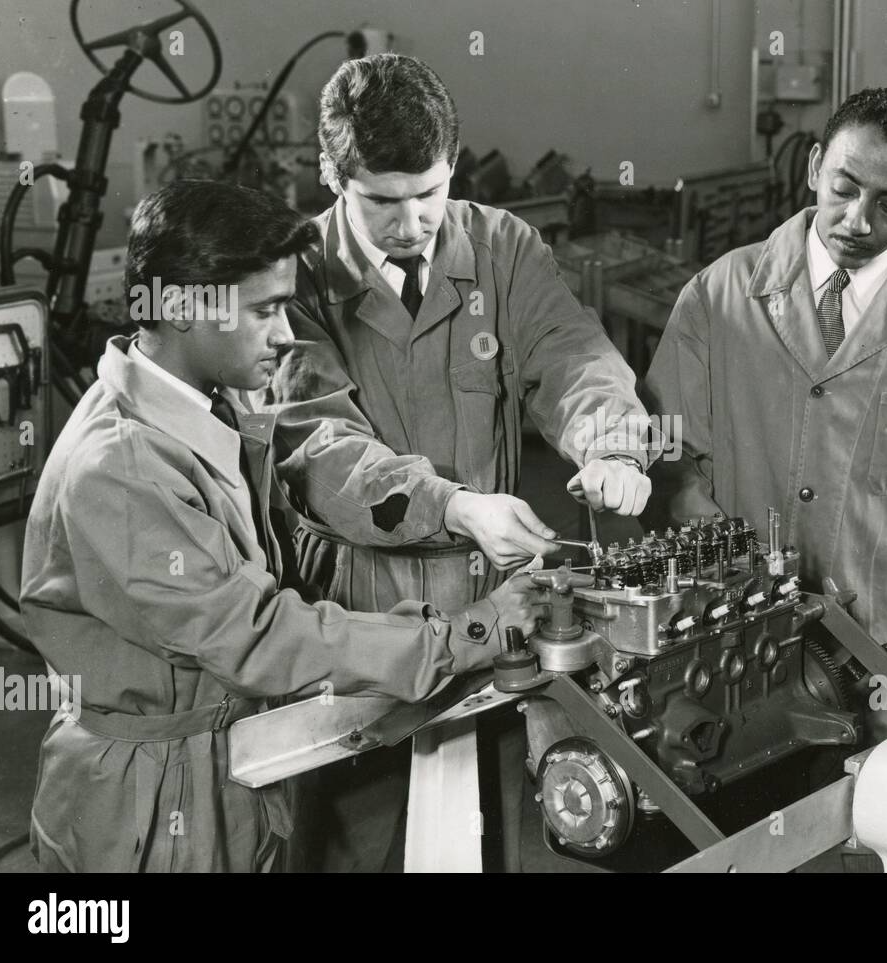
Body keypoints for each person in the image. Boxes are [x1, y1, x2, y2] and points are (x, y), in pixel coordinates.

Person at [19, 180, 539, 872]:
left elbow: (273, 562)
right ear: (179, 308)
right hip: (145, 808)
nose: (287, 334)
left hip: (216, 762)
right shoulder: (122, 468)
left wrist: (449, 526)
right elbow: (257, 636)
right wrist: (467, 632)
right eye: (264, 311)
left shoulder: (200, 409)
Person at [269, 54, 653, 870]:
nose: (412, 223)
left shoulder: (502, 246)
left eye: (430, 192)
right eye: (382, 201)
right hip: (361, 622)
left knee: (477, 835)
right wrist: (455, 506)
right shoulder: (292, 274)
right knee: (356, 841)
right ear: (333, 177)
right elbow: (316, 447)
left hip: (491, 612)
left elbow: (573, 354)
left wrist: (610, 440)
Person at [643, 88, 887, 678]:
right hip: (739, 637)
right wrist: (733, 564)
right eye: (844, 187)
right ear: (816, 166)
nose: (857, 219)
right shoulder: (716, 298)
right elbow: (666, 460)